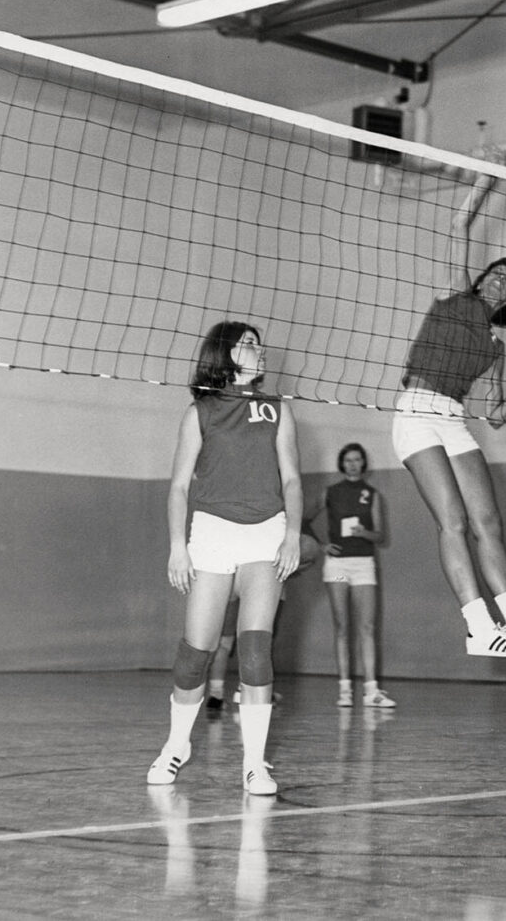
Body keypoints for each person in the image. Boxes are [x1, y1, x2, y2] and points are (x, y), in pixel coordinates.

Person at [392, 162, 506, 661]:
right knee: (451, 521)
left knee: (487, 522)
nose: (497, 280)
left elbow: (494, 415)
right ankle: (478, 626)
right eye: (494, 273)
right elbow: (459, 226)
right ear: (481, 280)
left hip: (453, 417)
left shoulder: (504, 339)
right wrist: (485, 178)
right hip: (415, 410)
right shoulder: (456, 296)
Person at [146, 320, 303, 794]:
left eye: (259, 344)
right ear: (225, 355)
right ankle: (177, 745)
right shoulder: (200, 412)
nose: (260, 351)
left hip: (266, 533)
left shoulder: (277, 410)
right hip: (212, 532)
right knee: (196, 655)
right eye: (249, 344)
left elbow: (292, 479)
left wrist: (293, 533)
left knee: (255, 650)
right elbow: (178, 485)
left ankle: (255, 764)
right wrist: (178, 545)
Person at [310, 442, 396, 709]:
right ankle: (345, 689)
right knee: (341, 626)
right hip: (337, 567)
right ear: (341, 463)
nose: (353, 464)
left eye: (357, 459)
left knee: (368, 627)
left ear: (363, 463)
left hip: (363, 565)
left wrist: (364, 533)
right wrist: (322, 545)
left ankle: (371, 691)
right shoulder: (330, 492)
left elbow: (380, 536)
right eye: (348, 460)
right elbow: (304, 520)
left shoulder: (372, 495)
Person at [205, 524, 320, 712]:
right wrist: (300, 564)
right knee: (259, 641)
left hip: (232, 577)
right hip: (264, 584)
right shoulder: (280, 526)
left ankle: (215, 695)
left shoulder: (245, 523)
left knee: (224, 642)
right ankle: (246, 690)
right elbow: (294, 560)